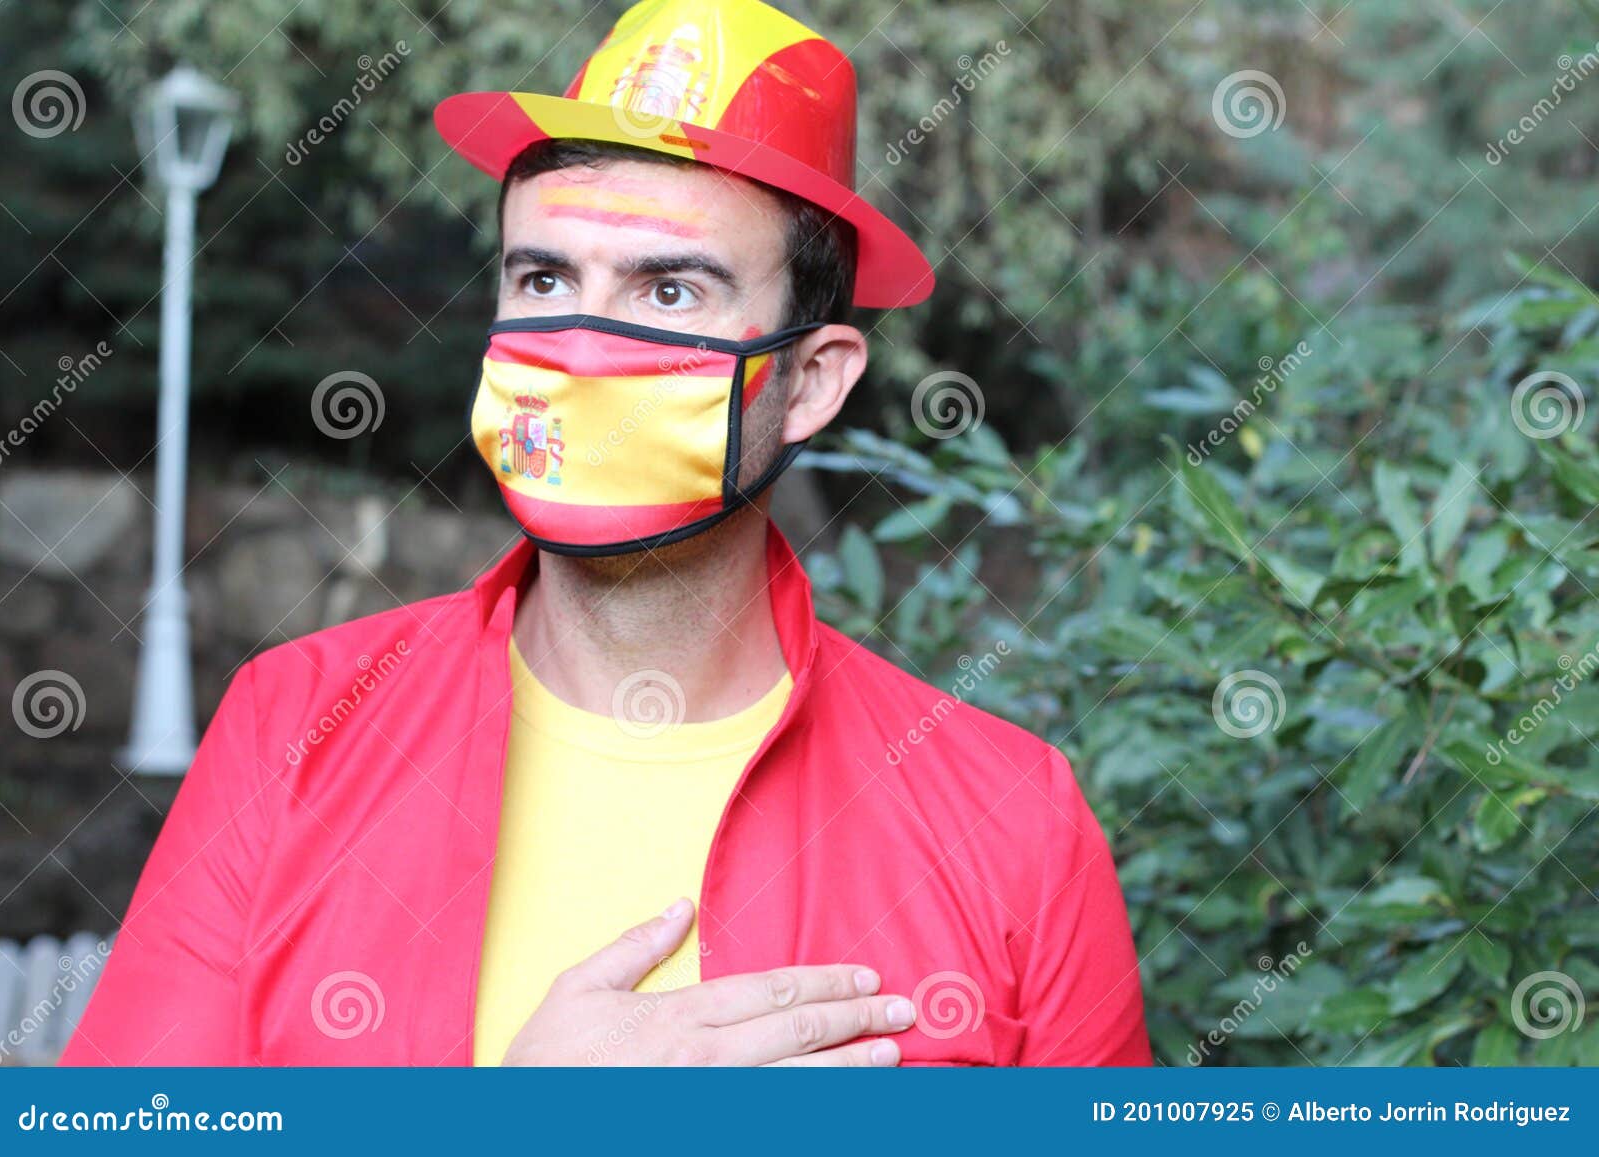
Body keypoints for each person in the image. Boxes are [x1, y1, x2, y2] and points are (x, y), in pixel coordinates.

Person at [61, 0, 1150, 1067]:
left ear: (812, 382)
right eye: (543, 278)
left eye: (669, 289)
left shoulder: (1012, 827)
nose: (582, 348)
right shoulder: (296, 728)